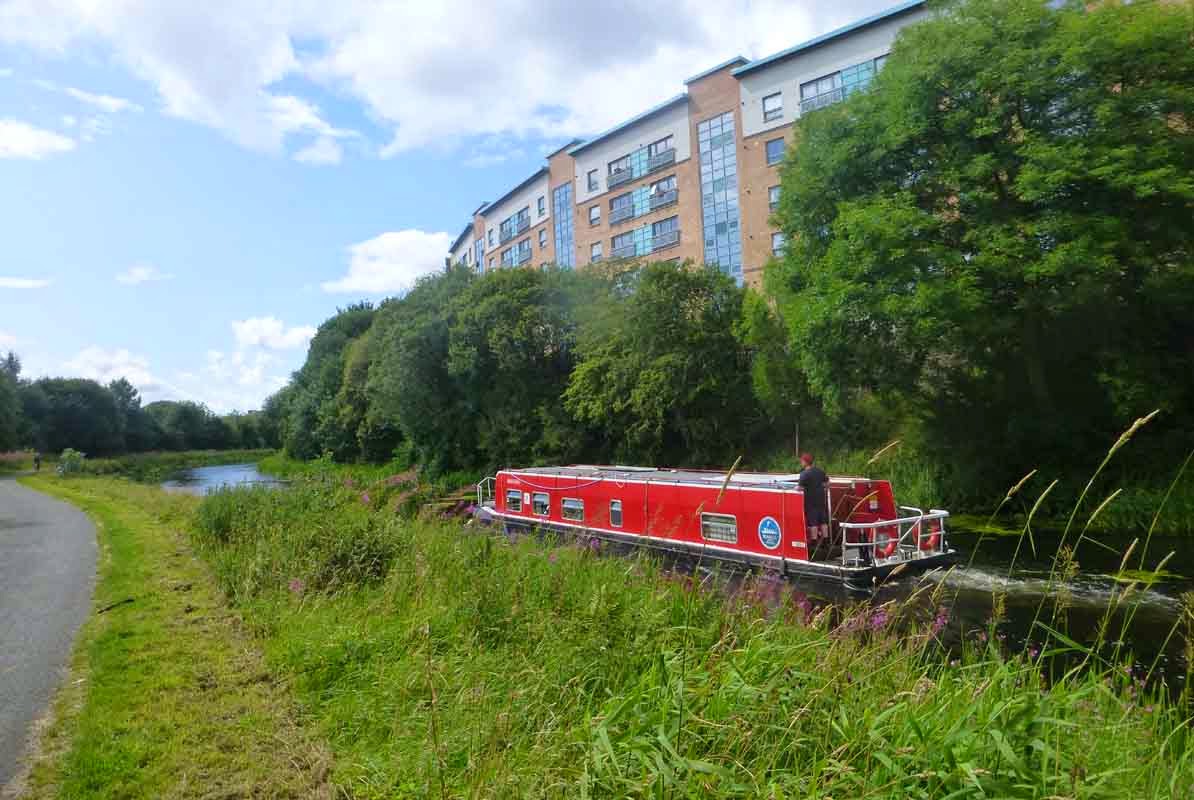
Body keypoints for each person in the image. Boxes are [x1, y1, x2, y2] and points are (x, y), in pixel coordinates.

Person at [797, 453, 829, 556]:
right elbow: (827, 483)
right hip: (821, 501)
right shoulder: (820, 471)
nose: (801, 463)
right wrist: (819, 487)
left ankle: (814, 542)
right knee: (823, 521)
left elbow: (800, 488)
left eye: (802, 461)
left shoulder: (804, 474)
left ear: (805, 462)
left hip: (810, 502)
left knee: (813, 523)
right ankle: (825, 541)